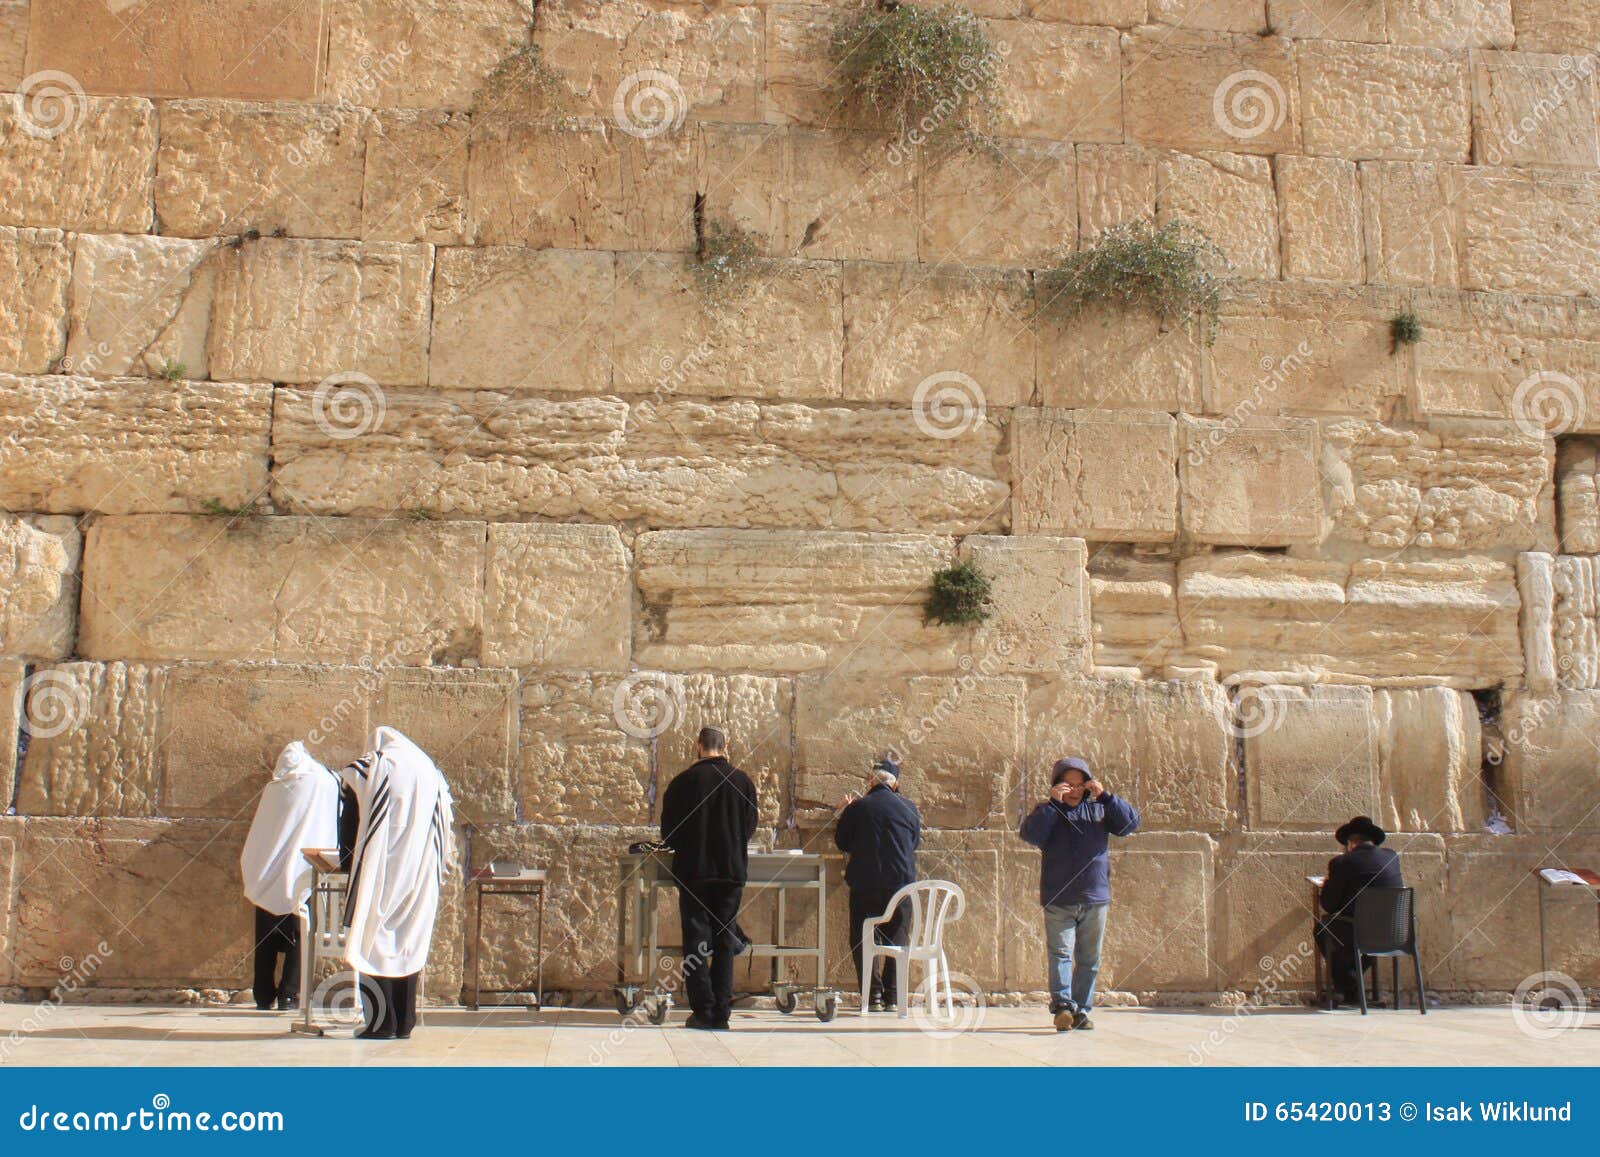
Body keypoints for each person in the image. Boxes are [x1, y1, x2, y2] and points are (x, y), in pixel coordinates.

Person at [338, 727, 455, 1040]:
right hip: (420, 871)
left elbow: (350, 820)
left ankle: (381, 1022)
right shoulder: (431, 773)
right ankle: (405, 1020)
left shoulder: (373, 766)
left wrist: (347, 865)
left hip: (381, 868)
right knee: (407, 942)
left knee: (373, 940)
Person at [1018, 756, 1140, 1032]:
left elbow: (1130, 824)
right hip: (1059, 899)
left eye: (1078, 785)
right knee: (1060, 952)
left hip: (1094, 898)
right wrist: (1052, 805)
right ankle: (1063, 1006)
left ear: (1087, 785)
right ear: (1056, 785)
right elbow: (1031, 835)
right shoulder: (1047, 811)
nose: (1073, 790)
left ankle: (1081, 1011)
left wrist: (1107, 797)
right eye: (1066, 784)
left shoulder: (1099, 810)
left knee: (1089, 958)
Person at [659, 726, 758, 1031]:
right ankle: (722, 1012)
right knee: (725, 939)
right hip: (730, 870)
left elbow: (669, 833)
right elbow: (749, 825)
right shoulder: (742, 782)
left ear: (698, 746)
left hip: (694, 870)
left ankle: (703, 1010)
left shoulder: (682, 783)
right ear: (725, 745)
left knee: (696, 938)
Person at [240, 741, 340, 1011]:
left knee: (265, 935)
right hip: (302, 869)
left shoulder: (274, 788)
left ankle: (262, 993)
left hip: (268, 871)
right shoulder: (322, 780)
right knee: (302, 932)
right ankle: (290, 993)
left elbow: (263, 831)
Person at [834, 755, 922, 1012]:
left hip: (865, 885)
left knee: (862, 937)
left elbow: (843, 843)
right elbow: (913, 843)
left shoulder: (858, 808)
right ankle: (893, 995)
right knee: (898, 937)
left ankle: (871, 996)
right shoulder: (909, 808)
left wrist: (843, 812)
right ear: (895, 784)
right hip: (901, 885)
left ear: (870, 781)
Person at [1317, 815, 1404, 1008]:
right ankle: (1351, 987)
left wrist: (1326, 887)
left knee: (1323, 930)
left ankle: (1349, 988)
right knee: (1359, 942)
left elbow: (1329, 905)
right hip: (1395, 932)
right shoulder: (1392, 858)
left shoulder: (1341, 863)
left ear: (1350, 843)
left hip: (1359, 932)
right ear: (1372, 841)